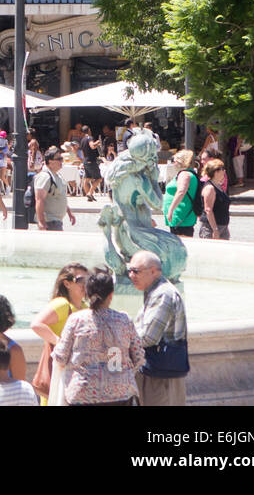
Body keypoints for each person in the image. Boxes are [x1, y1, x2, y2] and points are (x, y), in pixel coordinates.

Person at [52, 269, 143, 406]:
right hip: (120, 394)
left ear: (87, 294)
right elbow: (139, 357)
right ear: (111, 295)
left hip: (82, 393)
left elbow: (60, 357)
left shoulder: (76, 320)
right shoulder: (124, 320)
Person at [128, 250, 189, 405]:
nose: (131, 275)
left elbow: (148, 337)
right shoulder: (156, 291)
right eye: (129, 270)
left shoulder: (163, 295)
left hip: (159, 376)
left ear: (153, 271)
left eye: (136, 271)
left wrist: (119, 338)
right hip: (157, 371)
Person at [30, 263, 89, 405]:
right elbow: (36, 324)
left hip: (75, 375)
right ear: (67, 284)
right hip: (59, 373)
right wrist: (61, 343)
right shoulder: (62, 304)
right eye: (81, 280)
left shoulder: (86, 307)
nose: (85, 285)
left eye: (88, 280)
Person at [34, 146, 75, 231]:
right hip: (49, 222)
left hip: (56, 221)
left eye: (61, 158)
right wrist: (41, 222)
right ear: (50, 161)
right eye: (59, 159)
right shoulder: (45, 176)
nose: (61, 161)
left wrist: (69, 212)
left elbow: (59, 195)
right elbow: (39, 199)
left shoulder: (57, 175)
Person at [162, 148, 199, 238]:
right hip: (182, 215)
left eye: (174, 161)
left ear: (181, 162)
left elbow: (181, 192)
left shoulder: (184, 174)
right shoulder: (189, 173)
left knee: (180, 241)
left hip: (180, 215)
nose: (173, 164)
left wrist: (171, 209)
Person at [197, 158, 230, 240]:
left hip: (223, 226)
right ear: (216, 171)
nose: (224, 171)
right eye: (222, 169)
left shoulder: (218, 186)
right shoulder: (210, 188)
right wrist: (215, 230)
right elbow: (208, 210)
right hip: (211, 227)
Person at [78, 125, 102, 202]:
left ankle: (89, 195)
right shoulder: (89, 138)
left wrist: (84, 160)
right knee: (99, 178)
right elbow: (92, 146)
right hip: (91, 160)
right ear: (89, 130)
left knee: (87, 179)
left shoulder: (82, 140)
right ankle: (90, 192)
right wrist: (97, 142)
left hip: (85, 160)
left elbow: (82, 152)